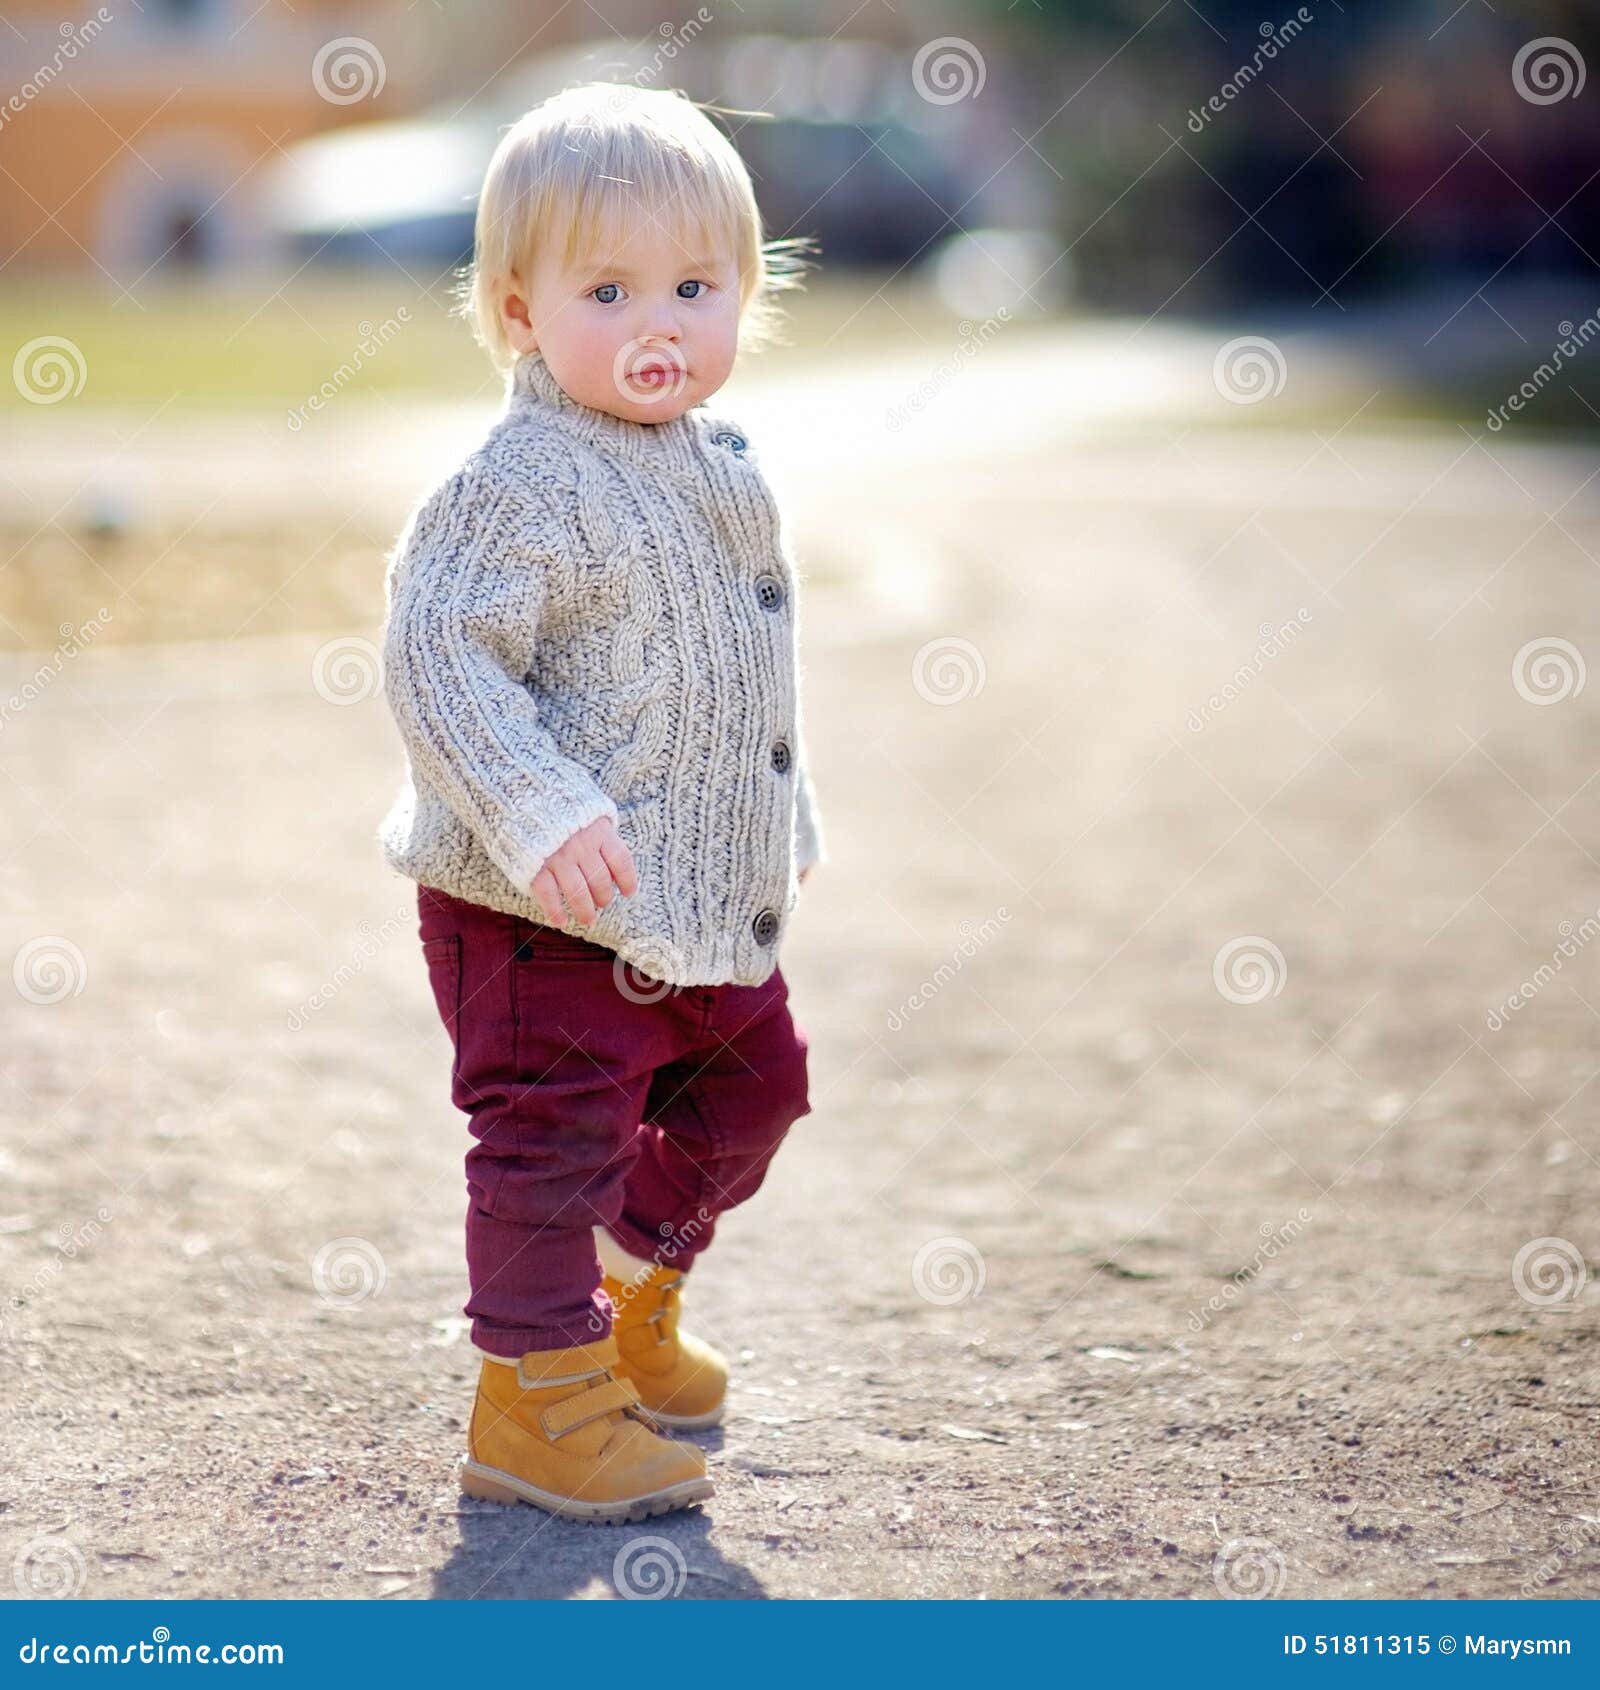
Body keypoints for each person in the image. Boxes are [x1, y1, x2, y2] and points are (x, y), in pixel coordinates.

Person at [376, 81, 826, 1525]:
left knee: (756, 1091)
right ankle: (537, 1397)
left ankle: (630, 1293)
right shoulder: (520, 482)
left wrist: (777, 825)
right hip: (539, 911)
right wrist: (533, 804)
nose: (660, 323)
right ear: (518, 310)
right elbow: (438, 653)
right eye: (610, 288)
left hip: (696, 903)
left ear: (747, 295)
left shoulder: (721, 468)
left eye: (696, 287)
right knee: (550, 1139)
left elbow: (733, 683)